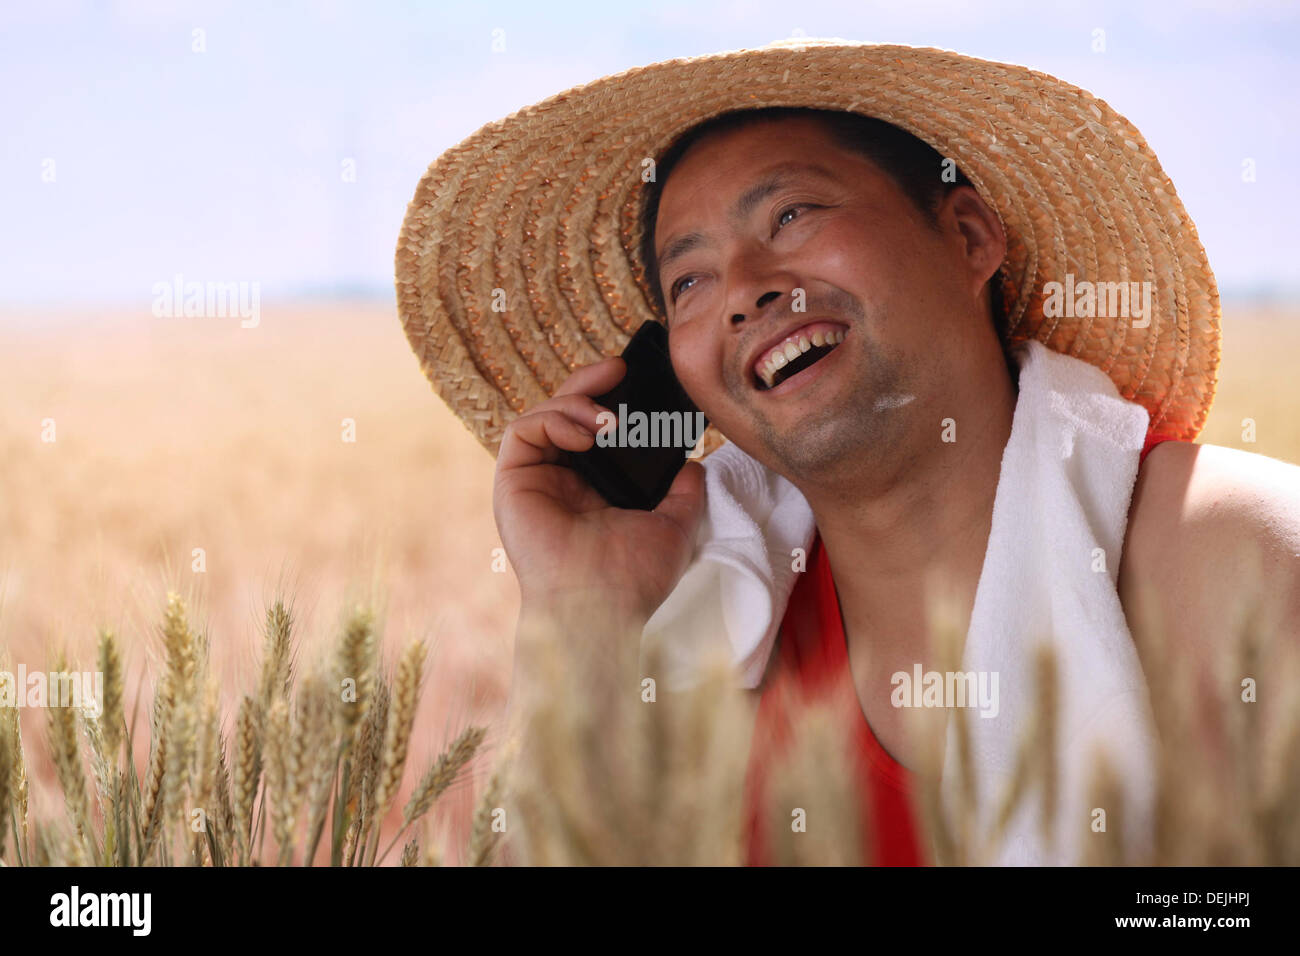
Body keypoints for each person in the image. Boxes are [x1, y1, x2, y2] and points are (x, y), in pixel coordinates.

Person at [396, 39, 1300, 864]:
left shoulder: (1229, 554)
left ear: (969, 235)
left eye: (791, 215)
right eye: (691, 281)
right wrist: (586, 607)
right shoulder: (710, 641)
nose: (745, 292)